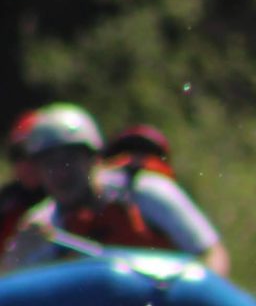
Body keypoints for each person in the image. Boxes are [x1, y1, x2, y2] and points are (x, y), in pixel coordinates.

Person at [0, 104, 230, 276]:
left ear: (93, 159)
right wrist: (18, 255)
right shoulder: (40, 225)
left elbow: (212, 255)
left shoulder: (144, 191)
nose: (61, 173)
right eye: (49, 165)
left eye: (69, 160)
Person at [0, 111, 46, 253]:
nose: (25, 163)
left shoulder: (71, 202)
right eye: (17, 154)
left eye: (33, 153)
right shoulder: (6, 204)